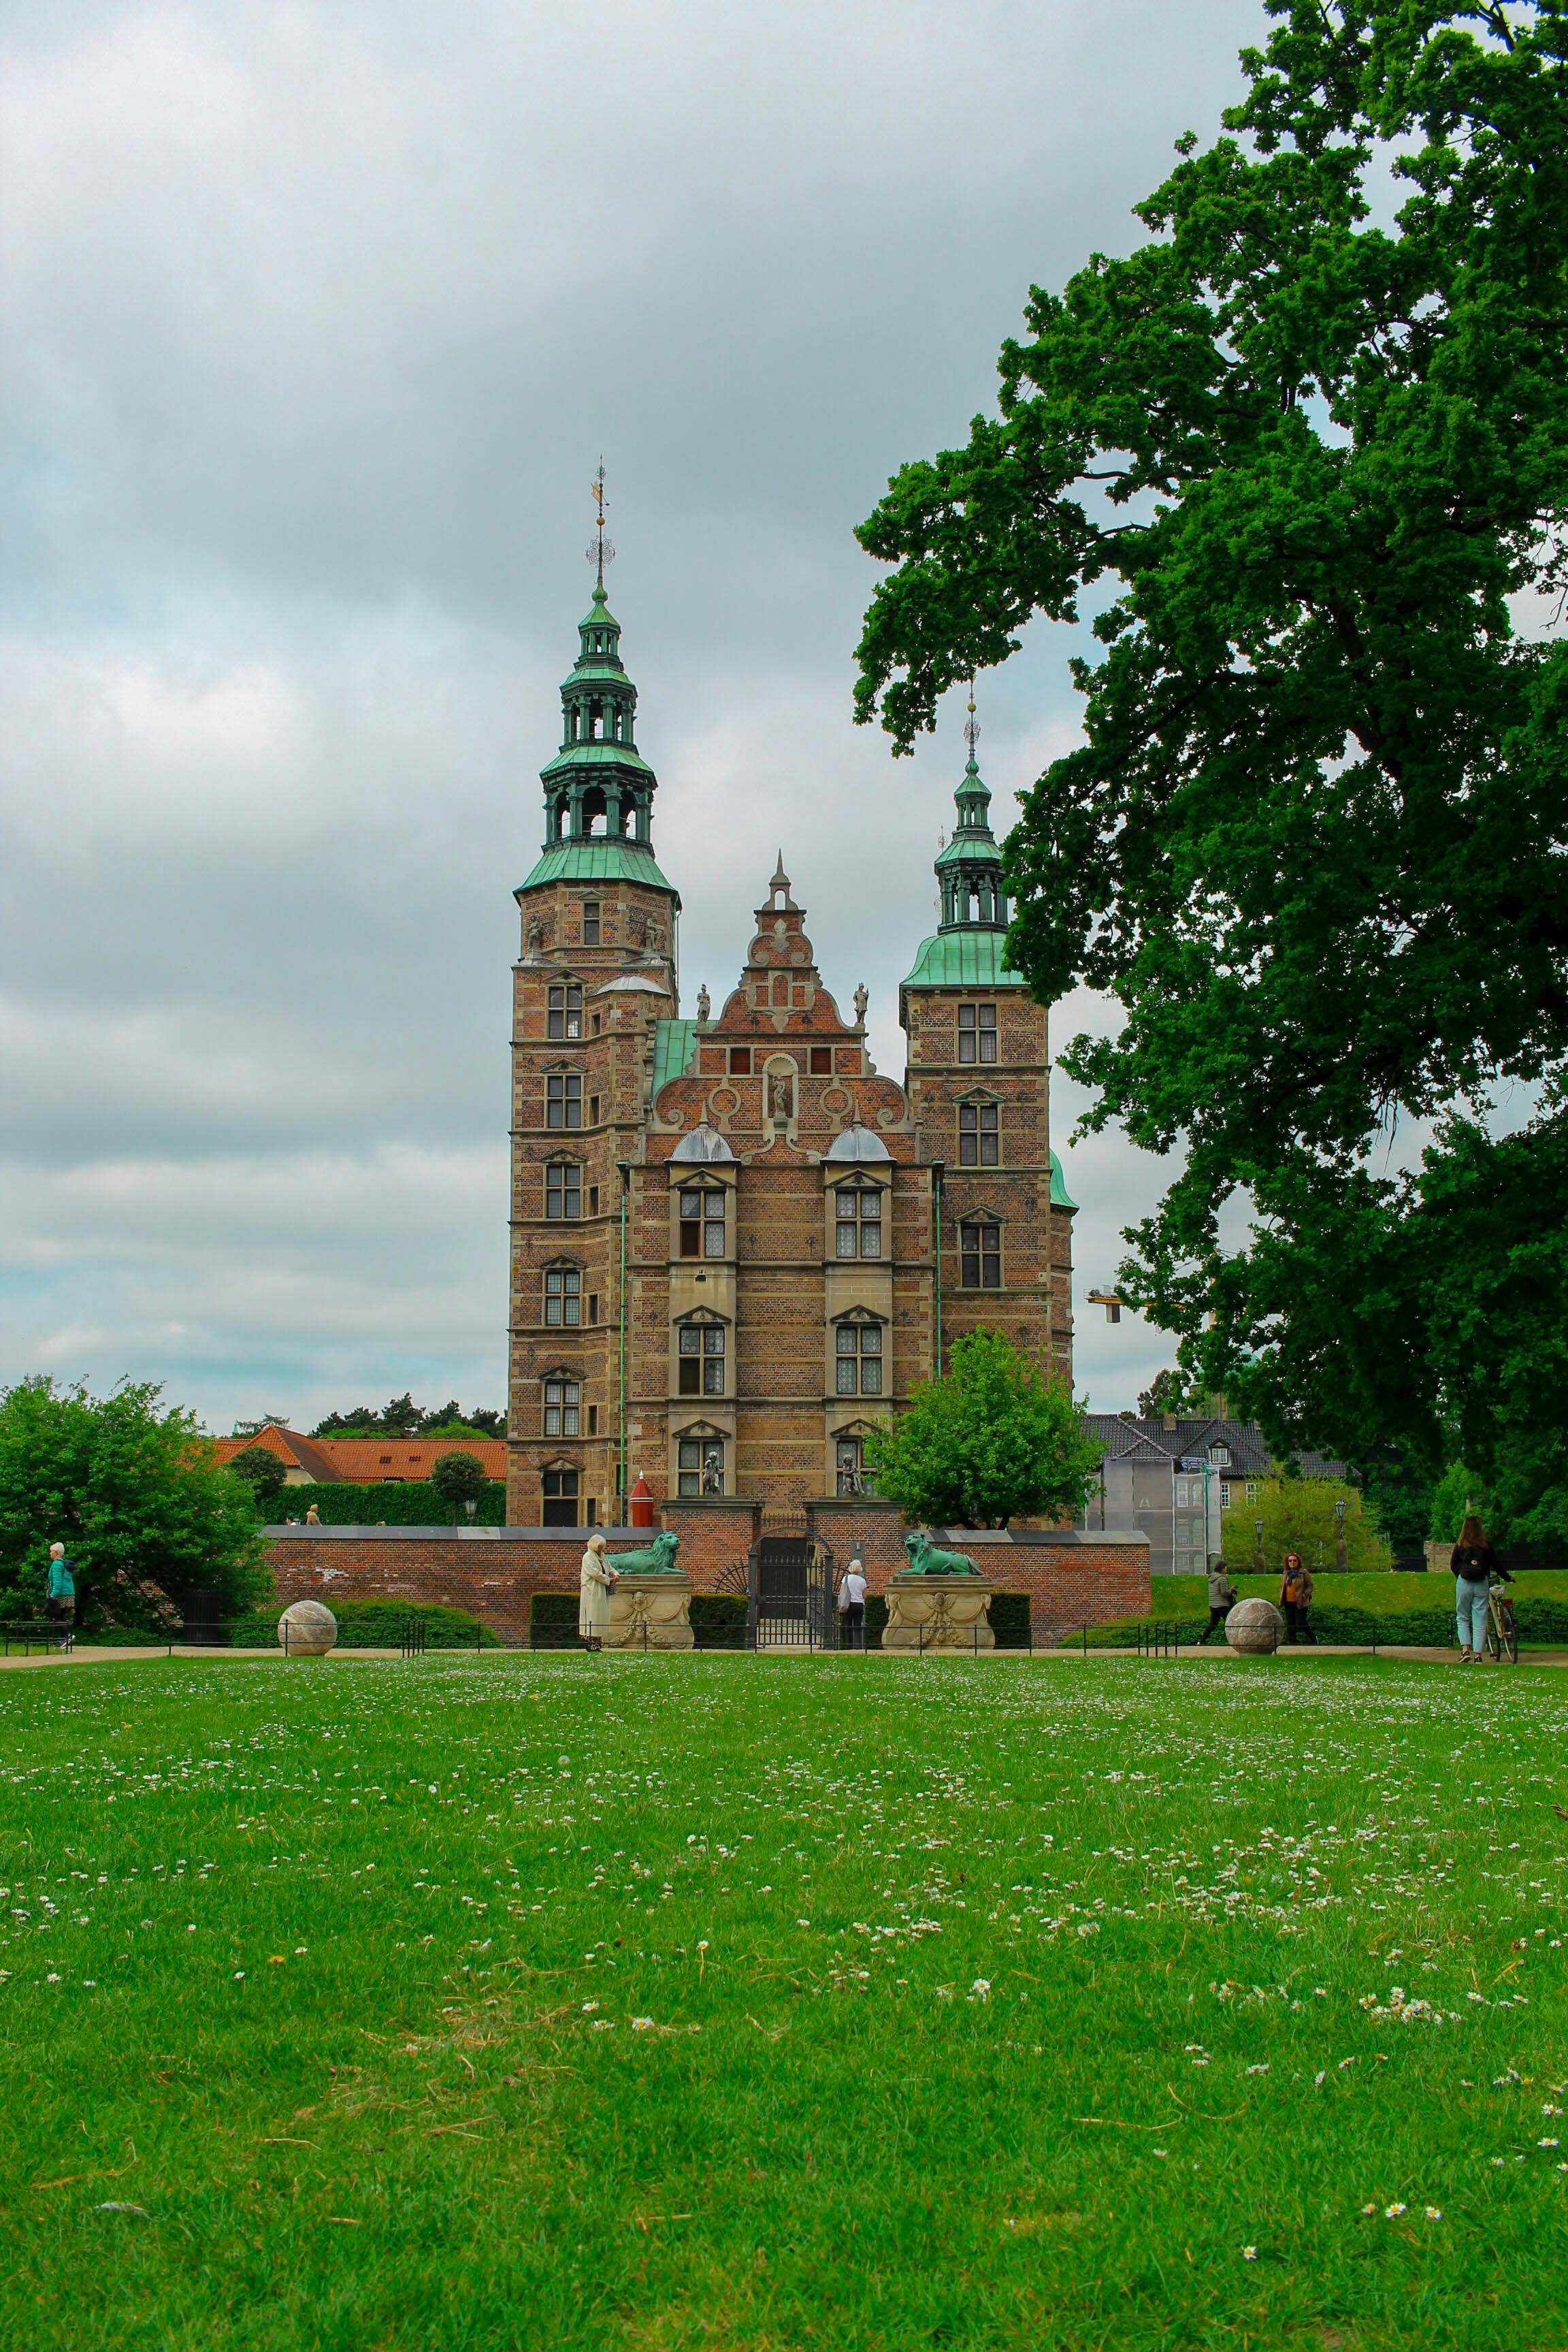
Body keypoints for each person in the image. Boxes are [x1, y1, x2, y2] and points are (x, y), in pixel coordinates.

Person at [1451, 1512, 1507, 1662]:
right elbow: (1496, 1565)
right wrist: (1508, 1577)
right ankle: (1478, 1655)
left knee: (1462, 1617)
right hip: (1481, 1583)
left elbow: (1453, 1565)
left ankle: (1465, 1650)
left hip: (1464, 1582)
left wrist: (1462, 1575)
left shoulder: (1461, 1546)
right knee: (1480, 1619)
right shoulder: (1486, 1546)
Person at [578, 1530, 617, 1652]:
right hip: (592, 1590)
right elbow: (595, 1573)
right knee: (592, 1615)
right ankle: (590, 1642)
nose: (602, 1549)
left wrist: (615, 1574)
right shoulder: (588, 1557)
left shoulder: (602, 1556)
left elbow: (609, 1567)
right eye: (600, 1546)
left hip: (602, 1590)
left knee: (601, 1616)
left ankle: (598, 1642)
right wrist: (608, 1580)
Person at [1279, 1552, 1316, 1646]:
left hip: (1300, 1601)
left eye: (1294, 1560)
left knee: (1301, 1622)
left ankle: (1314, 1639)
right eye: (1290, 1561)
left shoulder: (1303, 1573)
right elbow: (1282, 1586)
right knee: (1290, 1622)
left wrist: (1305, 1595)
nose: (1292, 1562)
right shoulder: (1286, 1573)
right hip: (1288, 1601)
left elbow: (1310, 1585)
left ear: (1298, 1562)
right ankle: (1292, 1642)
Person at [45, 1542, 76, 1652]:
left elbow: (58, 1582)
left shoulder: (57, 1564)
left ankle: (67, 1635)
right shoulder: (63, 1564)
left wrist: (53, 1594)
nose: (50, 1553)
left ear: (56, 1553)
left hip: (61, 1594)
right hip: (68, 1593)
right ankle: (64, 1639)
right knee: (60, 1616)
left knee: (54, 1616)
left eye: (51, 1551)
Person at [1203, 1556, 1237, 1644]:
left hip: (1213, 1605)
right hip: (1222, 1605)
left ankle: (1201, 1641)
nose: (1226, 1570)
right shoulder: (1222, 1578)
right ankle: (1235, 1641)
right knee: (1230, 1623)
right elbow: (1224, 1593)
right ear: (1222, 1569)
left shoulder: (1211, 1578)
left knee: (1212, 1624)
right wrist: (1232, 1590)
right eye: (1226, 1569)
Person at [838, 1555, 868, 1651]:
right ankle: (857, 1645)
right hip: (859, 1605)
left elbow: (841, 1591)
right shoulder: (863, 1580)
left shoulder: (846, 1579)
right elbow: (865, 1595)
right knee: (857, 1626)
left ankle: (848, 1646)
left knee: (848, 1626)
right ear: (860, 1569)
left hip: (848, 1604)